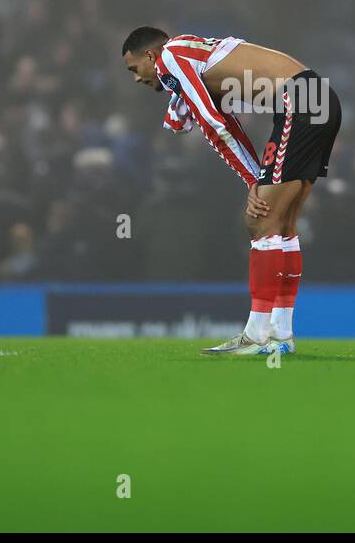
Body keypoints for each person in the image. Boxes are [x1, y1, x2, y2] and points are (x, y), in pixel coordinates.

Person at [122, 27, 342, 355]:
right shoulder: (192, 56)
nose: (136, 79)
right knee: (282, 223)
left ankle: (257, 335)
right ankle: (280, 335)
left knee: (260, 222)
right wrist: (255, 177)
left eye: (134, 69)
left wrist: (254, 180)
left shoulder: (172, 56)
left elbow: (214, 125)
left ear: (151, 56)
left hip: (300, 102)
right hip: (318, 99)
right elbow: (228, 123)